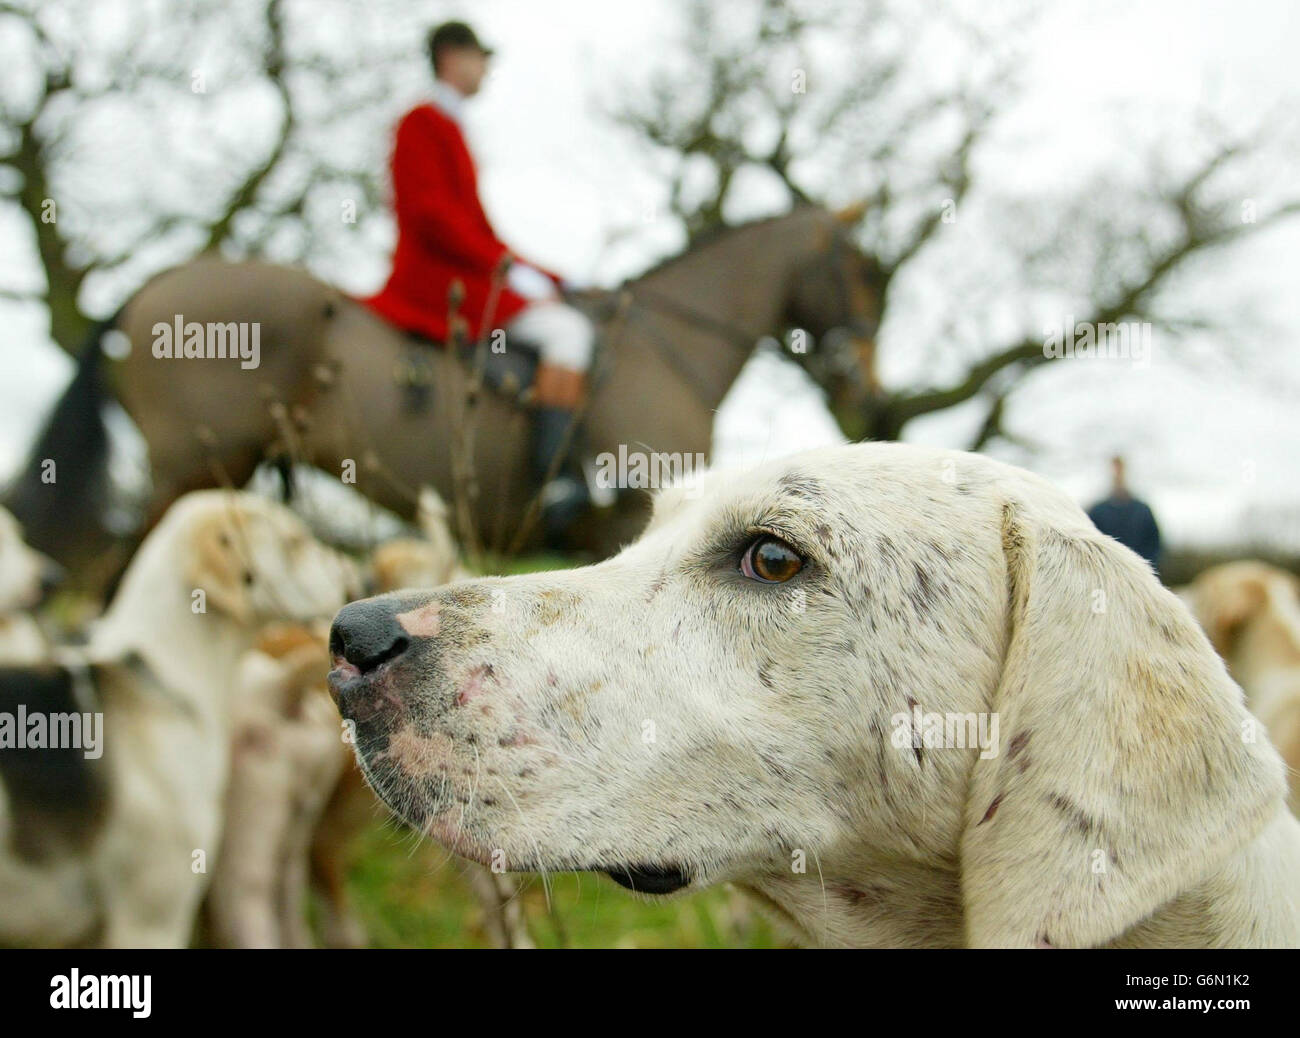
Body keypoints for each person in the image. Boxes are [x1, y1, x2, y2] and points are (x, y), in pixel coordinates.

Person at [366, 20, 594, 542]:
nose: (486, 69)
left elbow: (477, 227)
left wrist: (548, 272)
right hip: (438, 278)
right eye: (480, 58)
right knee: (568, 335)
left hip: (467, 268)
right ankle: (554, 479)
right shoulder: (422, 121)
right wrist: (509, 270)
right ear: (451, 57)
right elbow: (434, 217)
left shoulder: (451, 124)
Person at [1087, 455, 1162, 576]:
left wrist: (1144, 570)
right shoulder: (1098, 511)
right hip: (1106, 576)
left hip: (1139, 576)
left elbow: (1154, 543)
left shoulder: (1143, 510)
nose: (1117, 474)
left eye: (1120, 469)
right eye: (1114, 469)